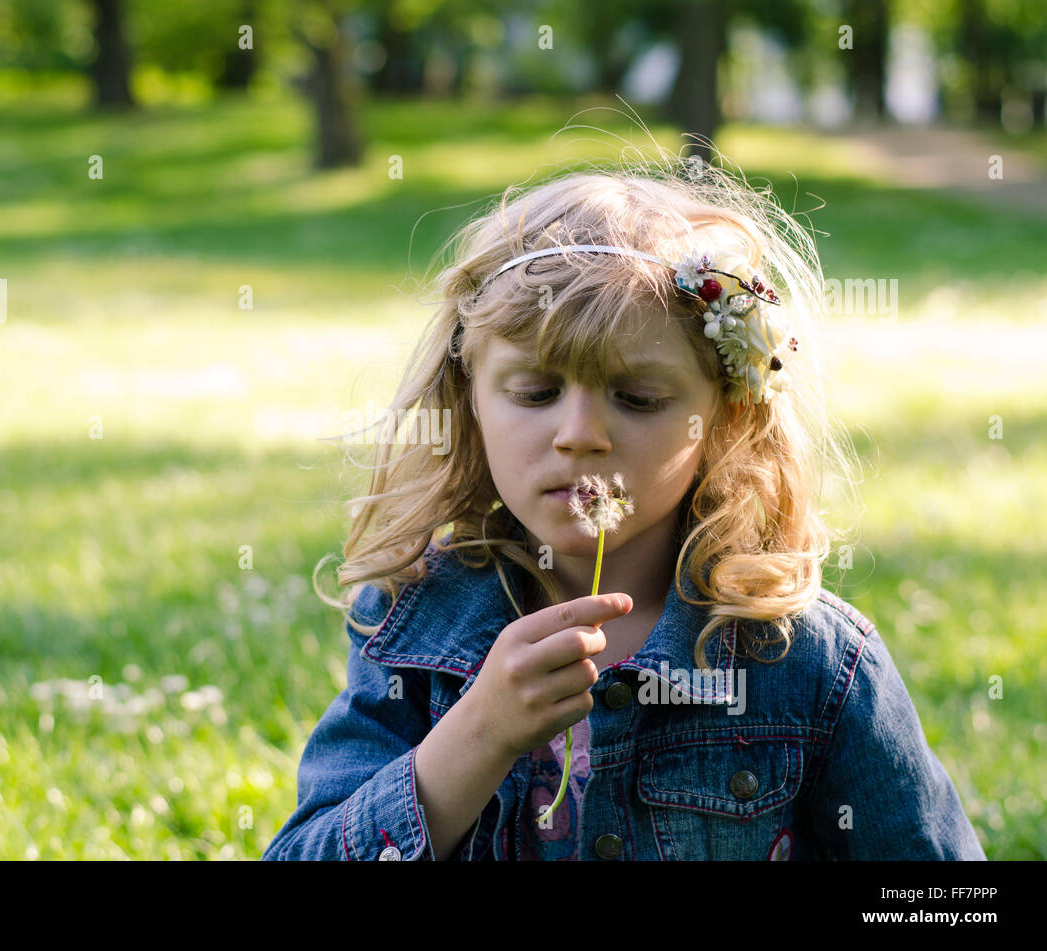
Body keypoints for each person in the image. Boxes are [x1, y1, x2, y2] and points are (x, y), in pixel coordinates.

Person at [261, 148, 986, 861]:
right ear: (470, 398)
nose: (580, 435)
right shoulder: (412, 624)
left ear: (725, 419)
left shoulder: (808, 663)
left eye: (638, 398)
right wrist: (477, 733)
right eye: (535, 393)